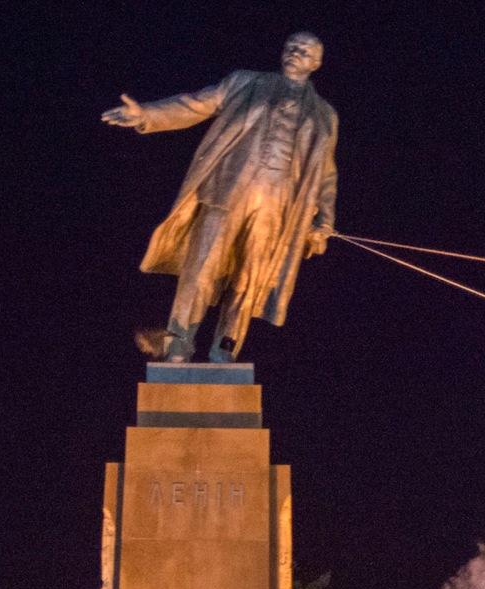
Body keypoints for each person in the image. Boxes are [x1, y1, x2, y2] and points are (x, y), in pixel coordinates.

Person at [102, 32, 337, 362]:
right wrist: (147, 115)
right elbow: (195, 104)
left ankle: (225, 350)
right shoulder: (244, 82)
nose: (296, 53)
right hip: (226, 193)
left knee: (248, 281)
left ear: (317, 63)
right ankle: (177, 347)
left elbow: (326, 173)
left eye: (305, 51)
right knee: (200, 270)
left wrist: (323, 221)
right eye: (291, 47)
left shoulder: (324, 115)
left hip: (276, 210)